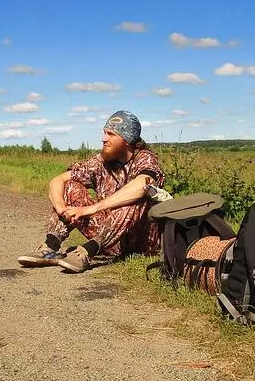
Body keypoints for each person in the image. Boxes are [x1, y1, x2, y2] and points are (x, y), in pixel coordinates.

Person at [17, 110, 165, 273]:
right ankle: (51, 247)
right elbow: (57, 180)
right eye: (104, 133)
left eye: (110, 134)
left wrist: (91, 209)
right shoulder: (102, 161)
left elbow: (142, 185)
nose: (104, 139)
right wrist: (60, 206)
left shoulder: (145, 158)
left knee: (137, 196)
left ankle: (87, 252)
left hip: (140, 242)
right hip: (109, 238)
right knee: (71, 186)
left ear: (128, 139)